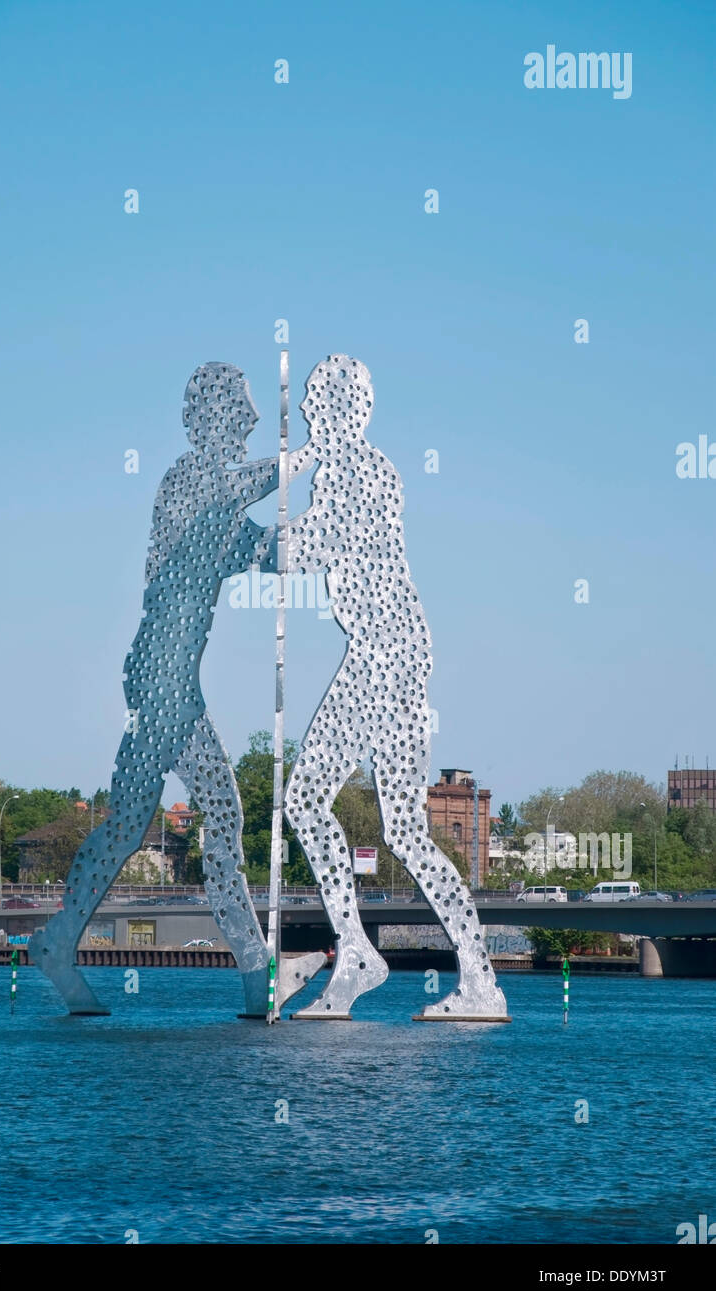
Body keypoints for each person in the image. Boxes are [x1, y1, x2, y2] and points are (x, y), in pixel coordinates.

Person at [29, 363, 324, 1014]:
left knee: (133, 822)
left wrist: (336, 527)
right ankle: (255, 972)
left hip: (167, 678)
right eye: (240, 410)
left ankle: (57, 943)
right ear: (211, 418)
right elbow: (240, 488)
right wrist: (311, 448)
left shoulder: (222, 508)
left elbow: (274, 554)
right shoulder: (190, 482)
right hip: (160, 676)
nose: (249, 420)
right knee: (221, 814)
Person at [284, 355, 509, 1021]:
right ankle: (449, 972)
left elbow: (309, 544)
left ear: (344, 412)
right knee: (397, 827)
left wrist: (242, 538)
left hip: (386, 656)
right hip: (385, 654)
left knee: (316, 804)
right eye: (304, 409)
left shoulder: (361, 471)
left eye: (314, 408)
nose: (306, 418)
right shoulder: (345, 471)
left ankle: (441, 972)